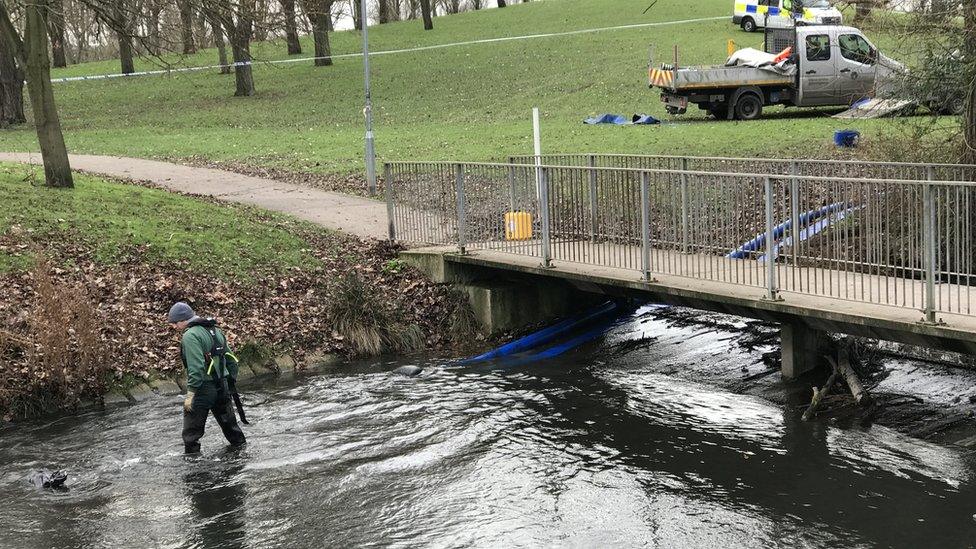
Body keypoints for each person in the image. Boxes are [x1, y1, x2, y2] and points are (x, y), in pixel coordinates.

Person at [168, 302, 246, 454]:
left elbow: (196, 369)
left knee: (191, 435)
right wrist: (230, 382)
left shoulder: (190, 336)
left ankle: (193, 464)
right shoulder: (215, 330)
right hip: (222, 386)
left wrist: (190, 395)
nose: (173, 326)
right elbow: (231, 360)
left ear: (183, 320)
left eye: (175, 323)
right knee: (232, 429)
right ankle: (242, 457)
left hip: (203, 388)